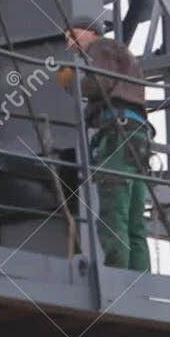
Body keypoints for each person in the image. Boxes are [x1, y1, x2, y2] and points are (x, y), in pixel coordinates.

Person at [59, 15, 151, 272]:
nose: (68, 41)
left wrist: (72, 83)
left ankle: (118, 277)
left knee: (113, 211)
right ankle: (139, 282)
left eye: (71, 34)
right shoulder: (121, 53)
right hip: (137, 136)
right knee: (135, 219)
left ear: (88, 32)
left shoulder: (100, 48)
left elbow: (100, 82)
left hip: (118, 135)